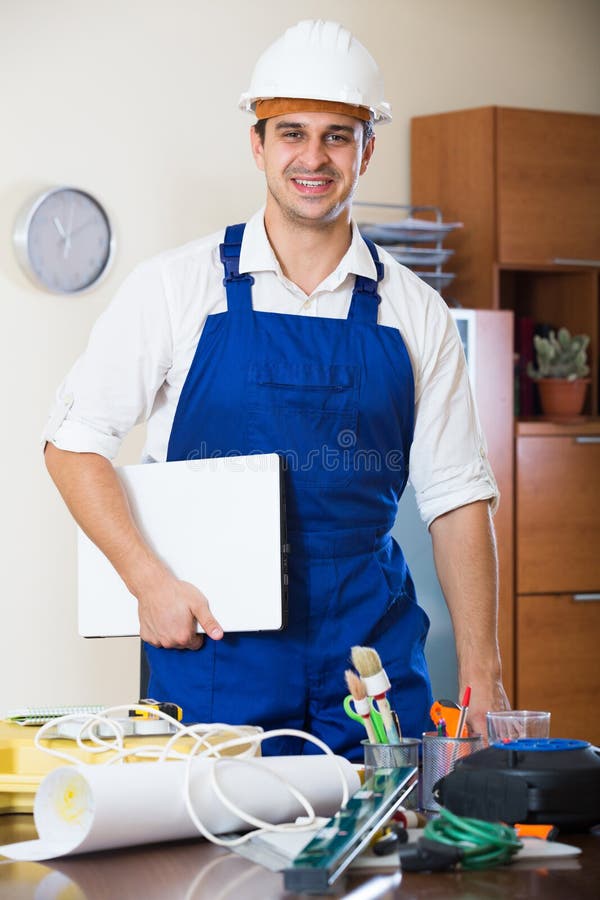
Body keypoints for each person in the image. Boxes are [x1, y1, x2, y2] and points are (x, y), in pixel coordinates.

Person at [44, 20, 509, 759]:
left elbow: (457, 497)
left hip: (369, 657)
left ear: (366, 149)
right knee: (212, 863)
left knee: (386, 853)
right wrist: (148, 581)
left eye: (337, 135)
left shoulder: (413, 310)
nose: (313, 158)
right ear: (257, 144)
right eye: (291, 132)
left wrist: (483, 666)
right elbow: (72, 447)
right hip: (217, 655)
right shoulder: (177, 288)